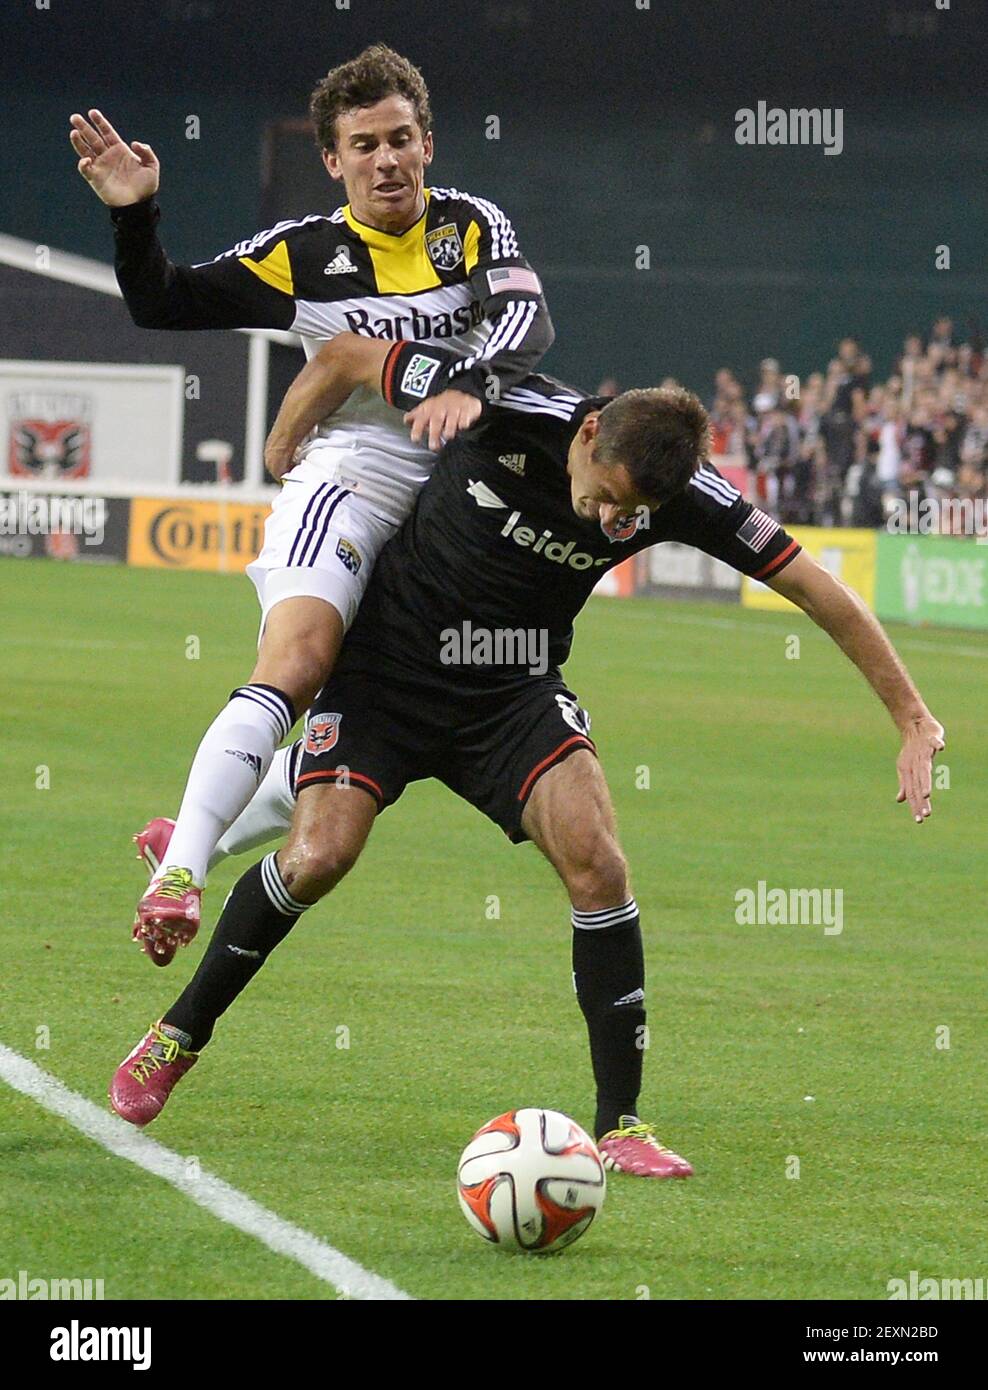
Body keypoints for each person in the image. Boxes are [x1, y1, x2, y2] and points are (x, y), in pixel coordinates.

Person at [109, 335, 946, 1181]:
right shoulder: (505, 403)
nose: (618, 524)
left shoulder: (688, 496)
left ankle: (622, 1124)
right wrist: (288, 440)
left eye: (636, 519)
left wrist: (910, 716)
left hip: (510, 692)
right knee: (321, 855)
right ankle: (176, 1035)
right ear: (588, 439)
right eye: (611, 501)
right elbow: (353, 355)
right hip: (383, 675)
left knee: (599, 864)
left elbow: (815, 586)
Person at [69, 45, 552, 963]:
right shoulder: (303, 254)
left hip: (455, 508)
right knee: (294, 669)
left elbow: (529, 323)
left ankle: (190, 835)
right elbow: (163, 304)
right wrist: (136, 218)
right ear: (333, 161)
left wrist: (473, 386)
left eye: (402, 139)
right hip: (351, 481)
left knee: (372, 721)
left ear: (429, 143)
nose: (387, 161)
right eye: (364, 145)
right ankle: (181, 878)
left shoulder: (473, 226)